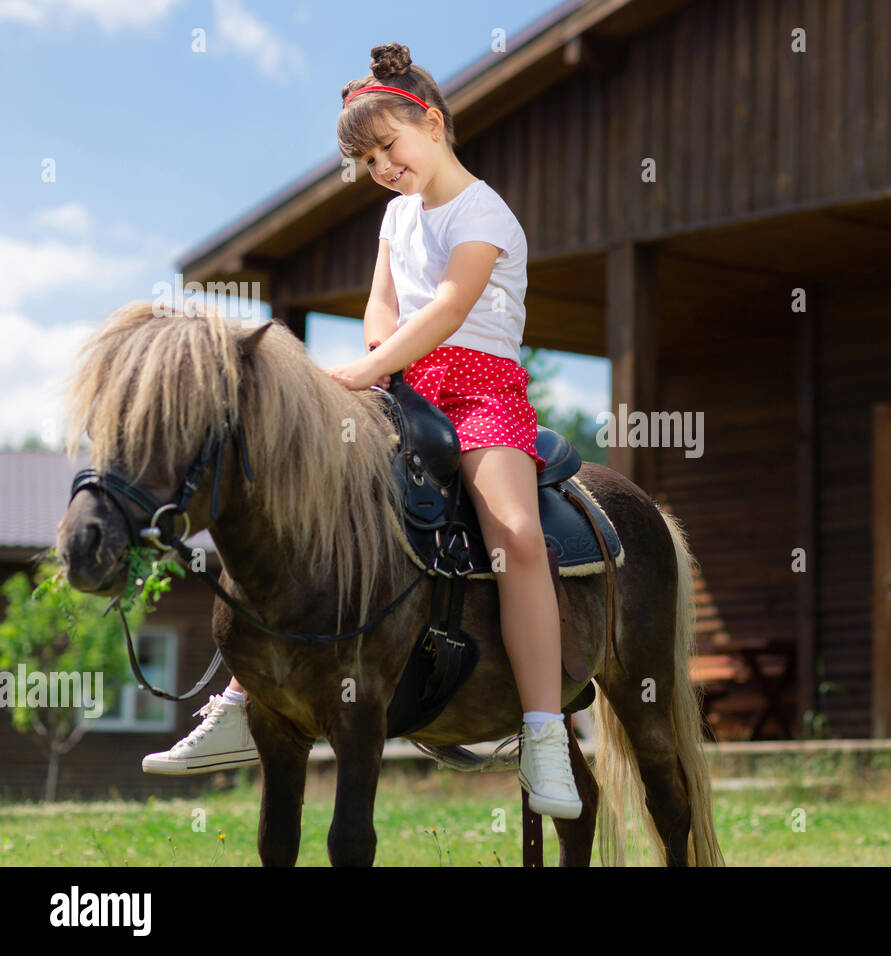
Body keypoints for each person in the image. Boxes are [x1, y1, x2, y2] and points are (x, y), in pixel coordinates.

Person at [142, 42, 582, 822]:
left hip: (479, 392)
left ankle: (545, 727)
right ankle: (243, 699)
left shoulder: (484, 212)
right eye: (368, 158)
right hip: (401, 386)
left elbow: (448, 309)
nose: (382, 166)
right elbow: (383, 308)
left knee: (516, 534)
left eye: (390, 146)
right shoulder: (395, 215)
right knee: (300, 502)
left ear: (434, 125)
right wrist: (376, 370)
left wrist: (356, 371)